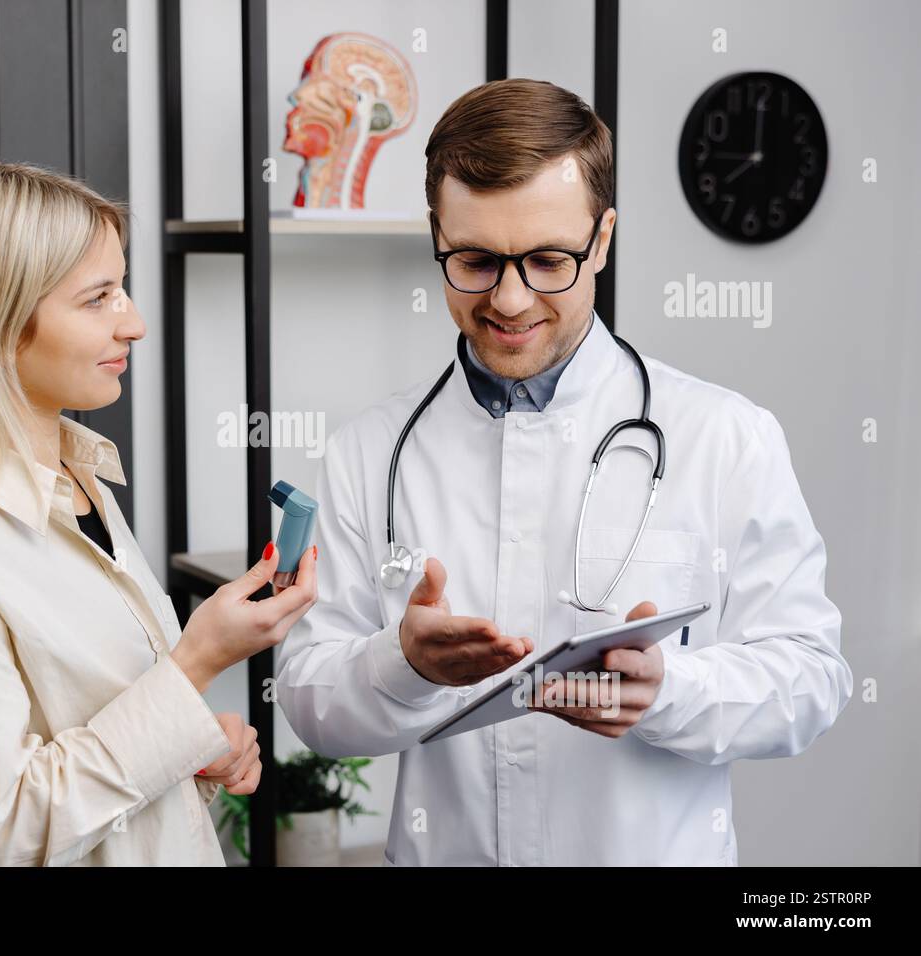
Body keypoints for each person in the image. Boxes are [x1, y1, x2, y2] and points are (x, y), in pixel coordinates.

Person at [275, 78, 851, 866]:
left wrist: (669, 689)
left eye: (548, 260)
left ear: (603, 240)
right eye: (474, 260)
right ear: (436, 236)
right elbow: (309, 701)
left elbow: (812, 680)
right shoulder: (369, 451)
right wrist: (401, 665)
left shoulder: (727, 437)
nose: (509, 301)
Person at [0, 159, 317, 866]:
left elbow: (91, 761)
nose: (136, 324)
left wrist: (192, 751)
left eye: (125, 289)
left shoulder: (81, 485)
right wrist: (195, 664)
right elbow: (9, 833)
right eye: (100, 298)